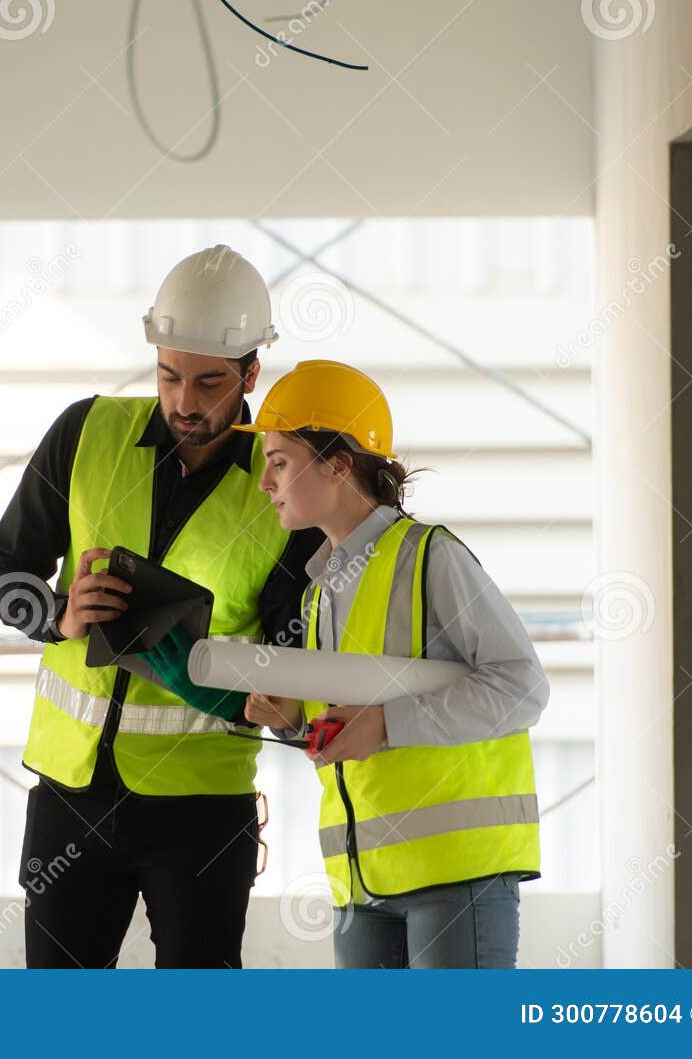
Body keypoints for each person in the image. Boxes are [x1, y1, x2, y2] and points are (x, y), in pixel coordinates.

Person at [0, 244, 323, 969]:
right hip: (69, 794)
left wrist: (276, 699)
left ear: (251, 373)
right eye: (169, 376)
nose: (185, 402)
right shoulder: (85, 432)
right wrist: (57, 614)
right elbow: (4, 576)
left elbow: (293, 645)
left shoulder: (285, 483)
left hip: (200, 808)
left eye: (209, 382)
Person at [236, 359, 550, 968]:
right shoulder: (318, 590)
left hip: (455, 876)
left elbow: (522, 689)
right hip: (361, 883)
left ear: (337, 463)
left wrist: (384, 724)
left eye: (278, 462)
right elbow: (356, 723)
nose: (264, 483)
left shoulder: (431, 557)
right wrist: (294, 719)